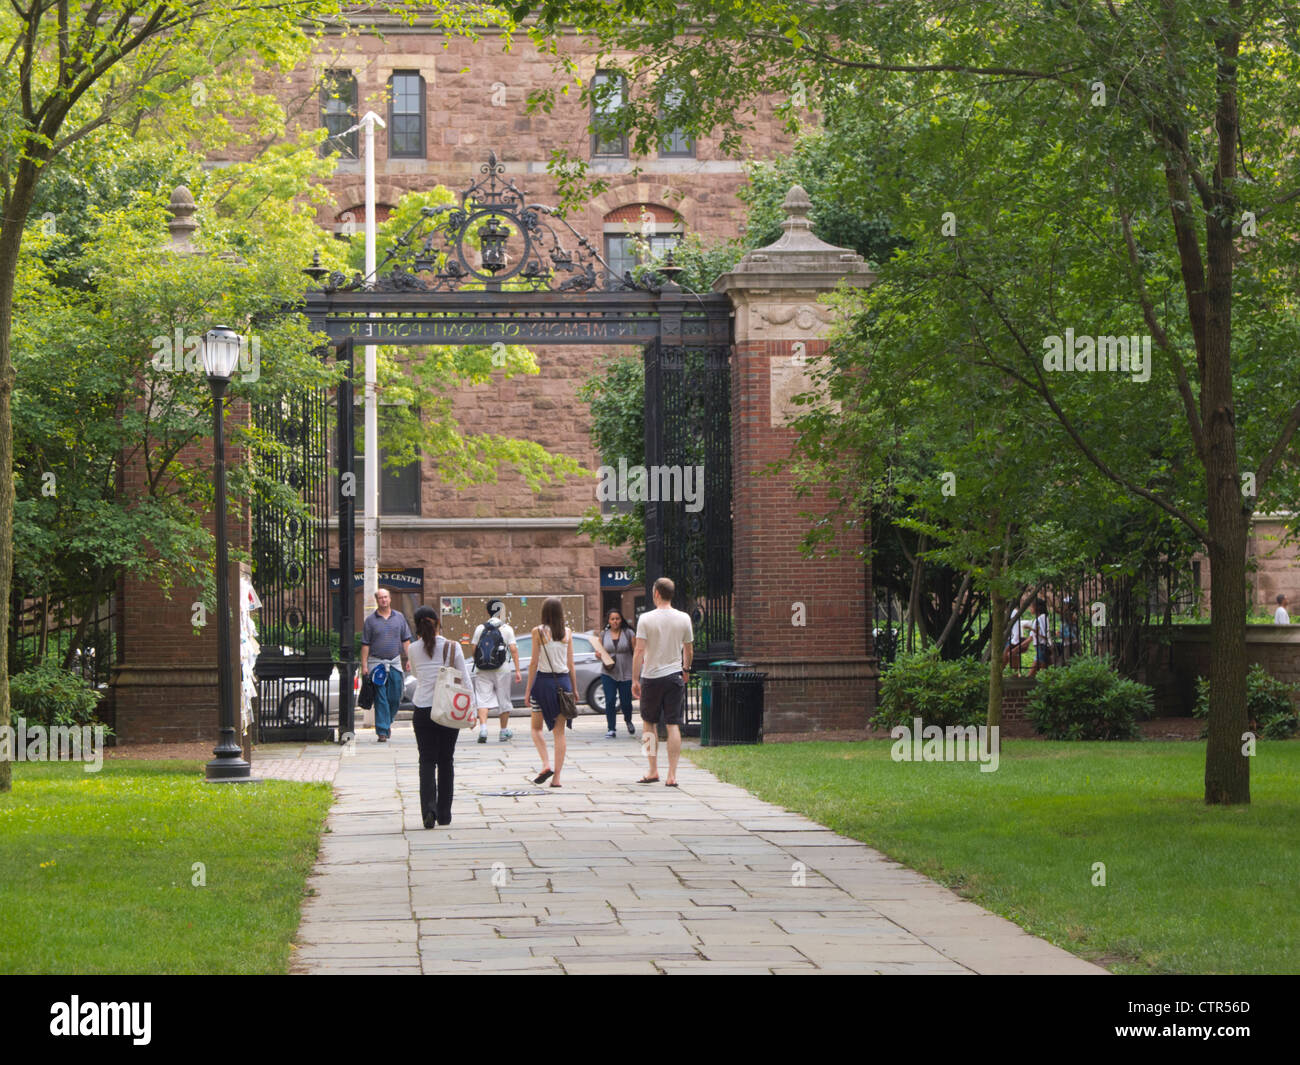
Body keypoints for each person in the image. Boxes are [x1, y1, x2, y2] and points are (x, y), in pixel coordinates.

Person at [408, 606, 474, 828]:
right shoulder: (452, 647)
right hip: (447, 710)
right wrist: (472, 710)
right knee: (446, 760)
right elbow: (465, 679)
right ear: (437, 622)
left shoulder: (413, 649)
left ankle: (428, 809)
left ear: (417, 625)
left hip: (423, 709)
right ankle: (444, 814)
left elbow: (416, 674)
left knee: (426, 761)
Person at [632, 577, 693, 787]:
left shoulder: (646, 619)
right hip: (674, 675)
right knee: (673, 723)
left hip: (651, 676)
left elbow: (639, 651)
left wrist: (634, 678)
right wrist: (686, 669)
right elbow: (689, 649)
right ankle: (672, 775)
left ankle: (652, 770)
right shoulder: (684, 618)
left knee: (649, 724)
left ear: (656, 592)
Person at [524, 597, 577, 788]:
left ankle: (546, 764)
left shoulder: (537, 632)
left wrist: (528, 690)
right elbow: (571, 664)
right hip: (563, 684)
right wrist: (575, 689)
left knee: (535, 729)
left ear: (544, 612)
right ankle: (557, 778)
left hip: (543, 684)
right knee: (559, 733)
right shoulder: (568, 633)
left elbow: (533, 663)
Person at [360, 587, 411, 742]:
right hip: (377, 664)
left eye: (386, 597)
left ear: (390, 599)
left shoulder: (399, 617)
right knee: (381, 697)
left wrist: (409, 659)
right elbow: (365, 645)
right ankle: (382, 731)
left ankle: (387, 722)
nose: (383, 600)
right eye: (380, 597)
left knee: (396, 696)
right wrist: (364, 665)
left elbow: (406, 640)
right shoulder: (370, 621)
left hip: (395, 662)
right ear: (377, 600)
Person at [470, 599, 522, 744]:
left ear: (488, 611)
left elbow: (473, 648)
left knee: (482, 699)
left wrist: (479, 661)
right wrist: (517, 670)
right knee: (503, 699)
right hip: (502, 669)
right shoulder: (507, 629)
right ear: (501, 612)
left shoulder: (480, 628)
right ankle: (503, 731)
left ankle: (484, 730)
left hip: (482, 669)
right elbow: (513, 650)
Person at [600, 609, 636, 738]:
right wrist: (599, 655)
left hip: (626, 671)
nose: (615, 621)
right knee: (610, 700)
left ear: (621, 620)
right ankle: (611, 729)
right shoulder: (604, 634)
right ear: (608, 621)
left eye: (617, 618)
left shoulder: (629, 633)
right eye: (612, 619)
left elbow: (636, 652)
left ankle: (628, 720)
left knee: (626, 701)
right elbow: (599, 652)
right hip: (608, 672)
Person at [1028, 597, 1052, 678]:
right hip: (1039, 647)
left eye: (1031, 606)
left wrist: (1031, 629)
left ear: (1036, 607)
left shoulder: (1042, 618)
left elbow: (1044, 635)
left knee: (1036, 672)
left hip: (1041, 646)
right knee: (1043, 670)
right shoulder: (1039, 618)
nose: (1030, 609)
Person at [1001, 607, 1030, 671]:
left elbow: (1016, 630)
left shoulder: (1013, 612)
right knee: (1011, 661)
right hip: (1009, 639)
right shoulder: (1004, 612)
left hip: (1013, 640)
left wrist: (1013, 643)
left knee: (1006, 662)